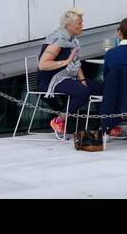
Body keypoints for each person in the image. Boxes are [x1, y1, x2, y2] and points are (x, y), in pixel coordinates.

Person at [37, 8, 101, 139]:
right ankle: (59, 121)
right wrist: (65, 62)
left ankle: (106, 126)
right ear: (68, 25)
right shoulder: (57, 41)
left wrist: (83, 81)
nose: (82, 25)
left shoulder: (72, 41)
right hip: (51, 80)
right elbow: (42, 65)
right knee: (83, 92)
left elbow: (76, 64)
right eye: (79, 23)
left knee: (100, 88)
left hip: (67, 78)